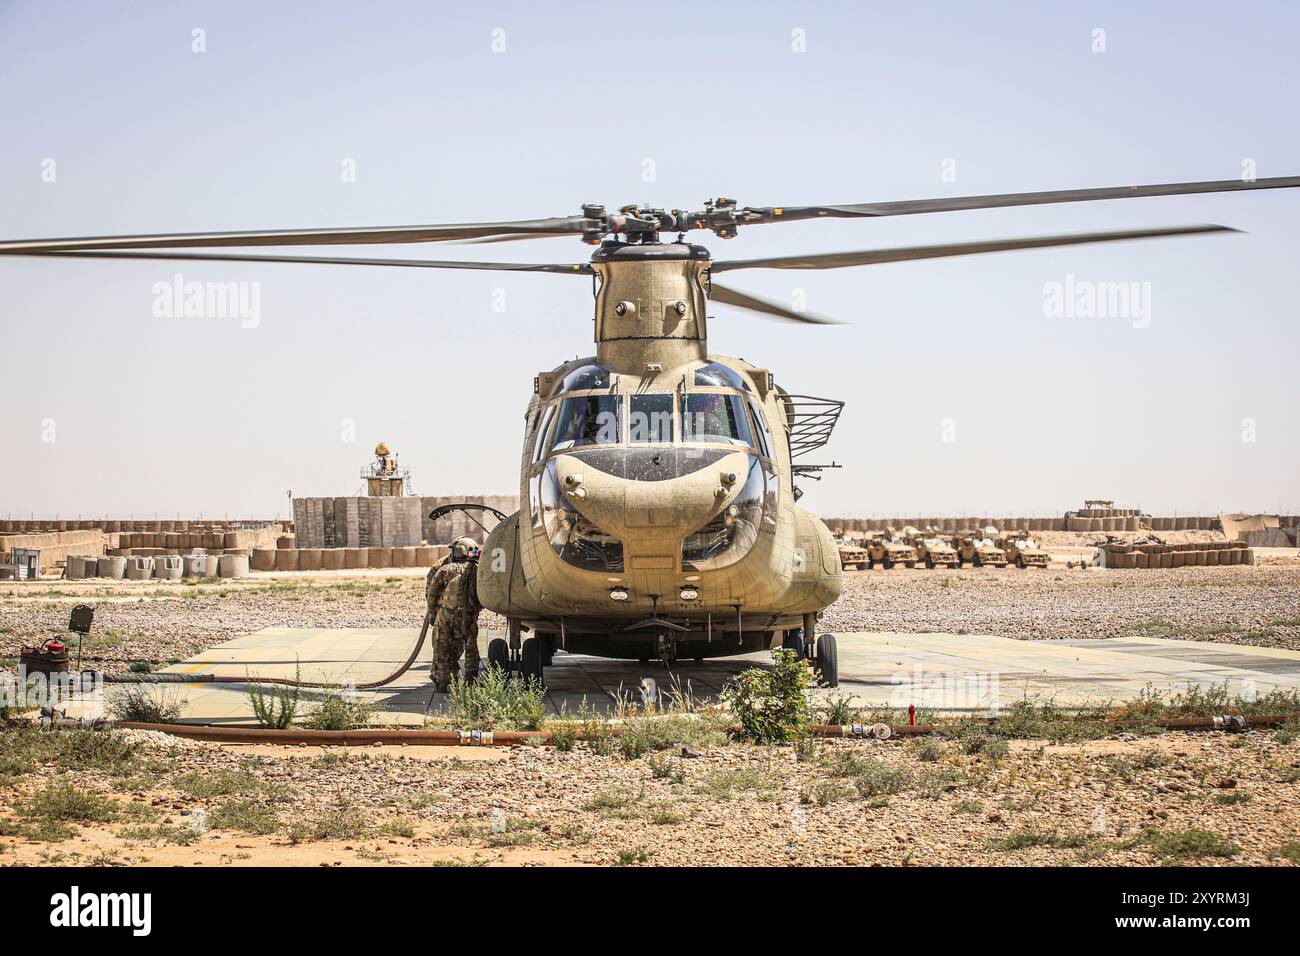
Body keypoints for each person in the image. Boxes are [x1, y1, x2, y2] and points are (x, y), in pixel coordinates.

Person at [426, 536, 483, 692]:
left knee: (440, 647)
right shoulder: (479, 571)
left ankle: (441, 683)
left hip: (445, 615)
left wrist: (433, 611)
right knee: (471, 649)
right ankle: (471, 682)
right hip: (468, 616)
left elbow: (432, 592)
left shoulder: (446, 569)